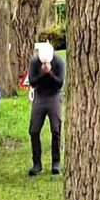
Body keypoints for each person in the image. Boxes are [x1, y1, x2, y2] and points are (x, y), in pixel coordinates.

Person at [26, 39, 65, 175]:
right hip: (40, 95)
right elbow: (32, 82)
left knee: (56, 129)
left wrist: (50, 74)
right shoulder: (34, 62)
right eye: (42, 62)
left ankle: (56, 162)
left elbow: (60, 83)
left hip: (54, 95)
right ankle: (37, 163)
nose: (44, 64)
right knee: (34, 130)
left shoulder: (59, 62)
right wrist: (42, 73)